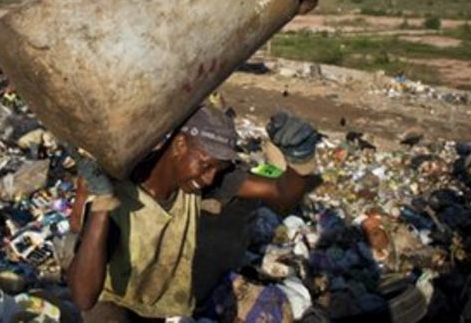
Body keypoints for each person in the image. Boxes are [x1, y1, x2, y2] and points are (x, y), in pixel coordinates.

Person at [67, 106, 321, 320]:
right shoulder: (122, 192)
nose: (209, 178)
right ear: (179, 145)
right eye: (205, 164)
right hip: (112, 307)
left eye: (217, 168)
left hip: (154, 308)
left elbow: (282, 192)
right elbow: (84, 296)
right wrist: (101, 202)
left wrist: (300, 159)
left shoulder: (197, 183)